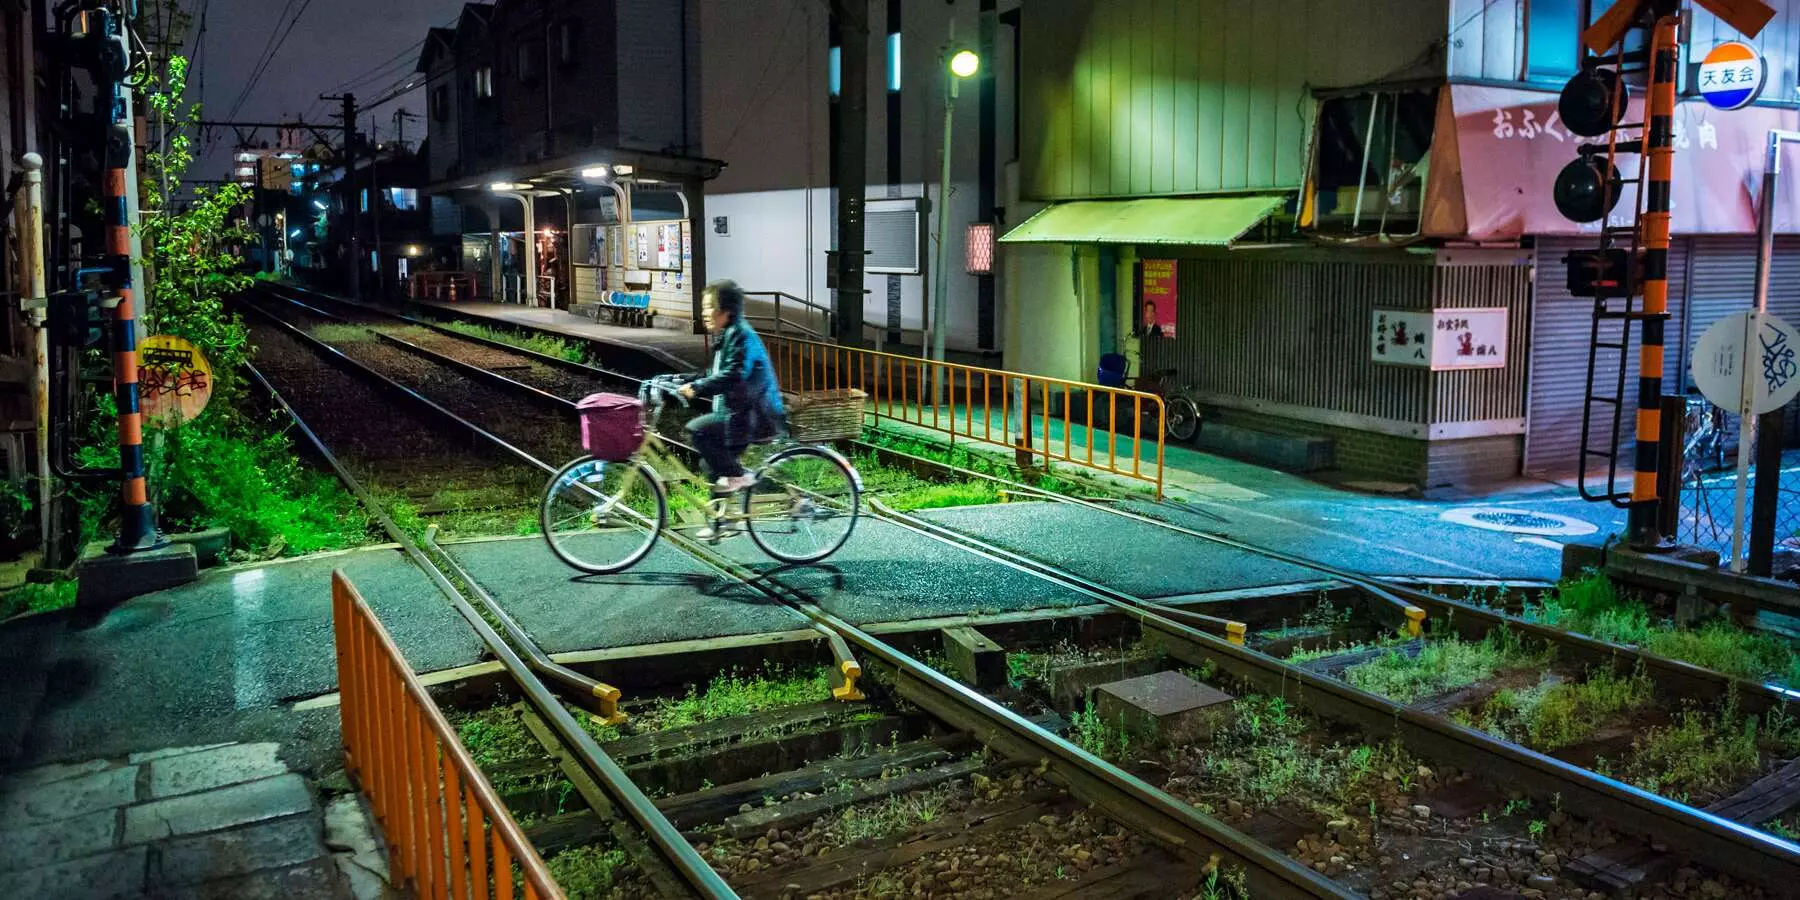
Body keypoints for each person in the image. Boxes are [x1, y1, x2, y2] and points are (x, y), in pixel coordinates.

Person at [678, 280, 787, 494]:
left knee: (698, 431)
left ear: (725, 311)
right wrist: (682, 379)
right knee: (711, 466)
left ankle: (742, 478)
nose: (704, 313)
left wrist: (698, 388)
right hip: (741, 414)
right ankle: (721, 522)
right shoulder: (730, 334)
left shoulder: (740, 335)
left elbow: (735, 375)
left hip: (753, 416)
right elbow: (716, 374)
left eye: (709, 306)